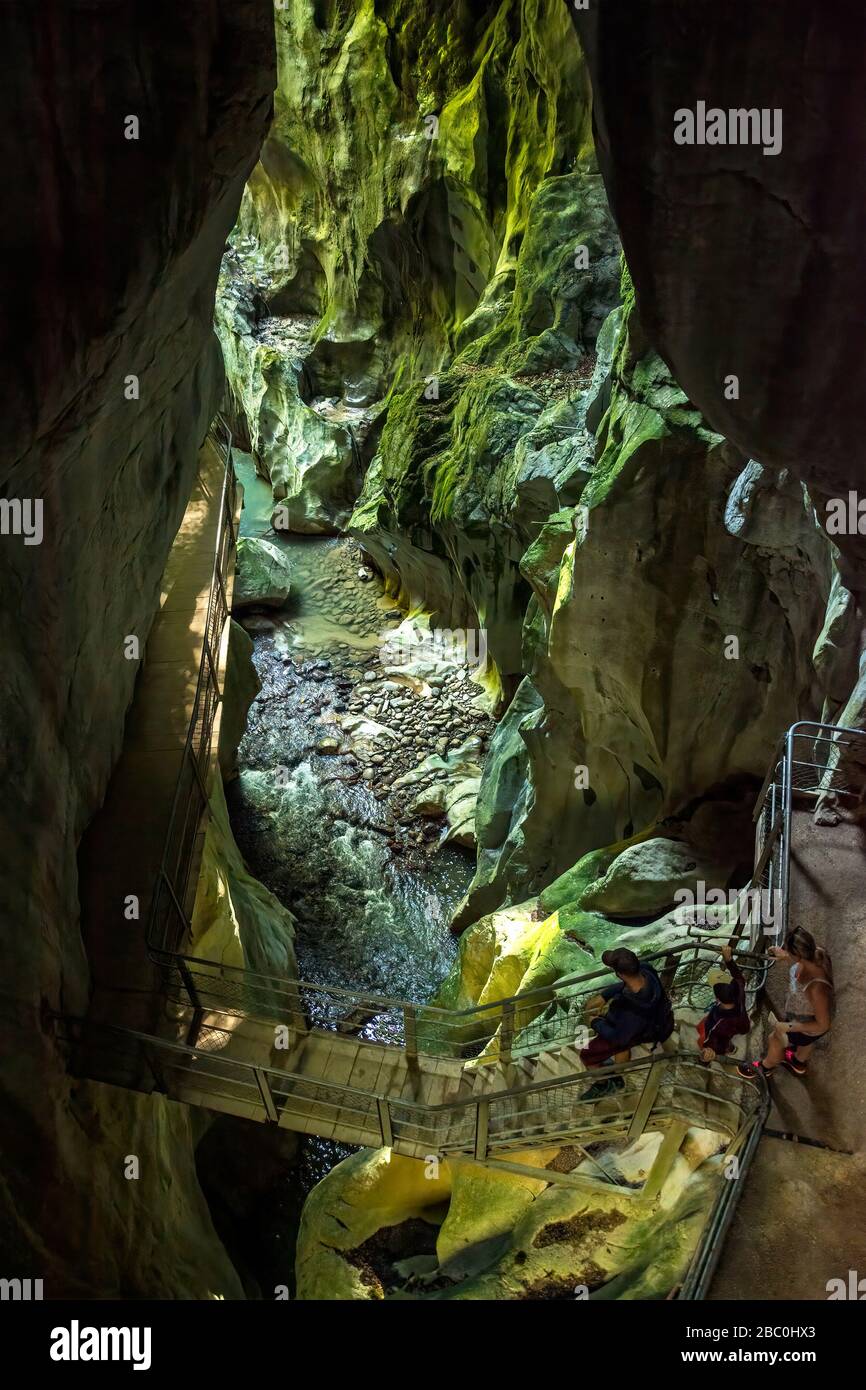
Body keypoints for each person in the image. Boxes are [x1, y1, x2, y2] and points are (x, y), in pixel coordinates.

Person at [737, 926, 833, 1081]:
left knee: (775, 1039)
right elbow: (801, 961)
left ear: (799, 956)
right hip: (806, 1017)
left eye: (790, 952)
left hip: (805, 1024)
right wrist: (785, 957)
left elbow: (823, 1025)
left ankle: (765, 1067)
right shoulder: (818, 953)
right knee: (807, 1042)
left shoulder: (816, 988)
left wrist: (789, 1027)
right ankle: (797, 1061)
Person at [580, 947, 674, 1097]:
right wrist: (605, 996)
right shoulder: (645, 969)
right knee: (623, 1046)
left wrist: (595, 1022)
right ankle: (617, 1074)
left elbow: (619, 1037)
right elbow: (626, 985)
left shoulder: (630, 1011)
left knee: (587, 1054)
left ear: (620, 974)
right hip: (657, 1020)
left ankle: (603, 1083)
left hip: (637, 1031)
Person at [696, 944, 750, 1062]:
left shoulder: (717, 1022)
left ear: (717, 999)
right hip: (743, 1023)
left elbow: (711, 1038)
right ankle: (732, 1048)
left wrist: (706, 1050)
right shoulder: (739, 992)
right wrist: (729, 960)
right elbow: (739, 978)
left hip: (725, 1031)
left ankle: (730, 1049)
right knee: (740, 1030)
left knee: (722, 1042)